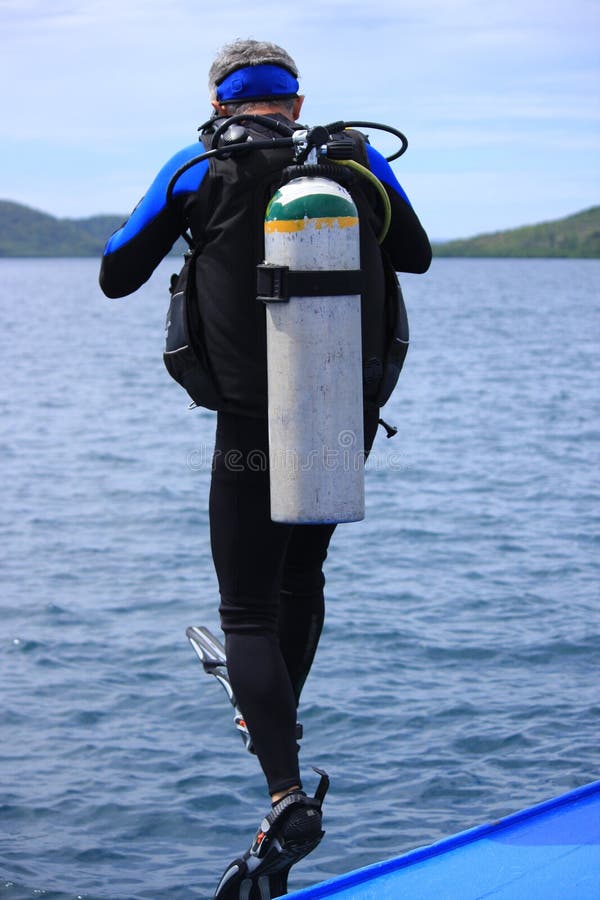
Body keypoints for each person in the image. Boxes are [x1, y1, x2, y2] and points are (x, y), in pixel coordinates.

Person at [100, 38, 431, 899]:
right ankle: (274, 712)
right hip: (341, 417)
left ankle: (283, 787)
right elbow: (419, 255)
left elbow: (114, 272)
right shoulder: (349, 164)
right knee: (301, 580)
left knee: (244, 607)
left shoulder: (196, 164)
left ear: (220, 101)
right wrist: (365, 171)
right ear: (295, 100)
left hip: (250, 427)